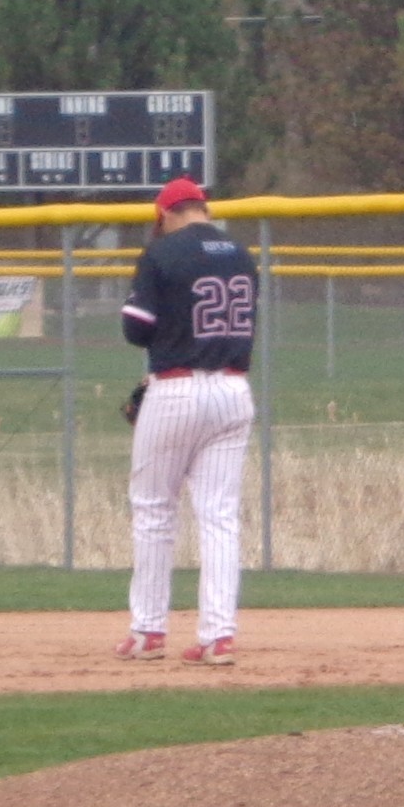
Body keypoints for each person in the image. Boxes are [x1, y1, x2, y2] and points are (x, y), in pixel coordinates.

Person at [114, 176, 258, 665]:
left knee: (154, 510)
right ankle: (219, 637)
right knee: (219, 516)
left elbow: (136, 329)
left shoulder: (163, 253)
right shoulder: (241, 254)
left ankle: (148, 631)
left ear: (166, 213)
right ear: (204, 208)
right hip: (234, 389)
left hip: (176, 389)